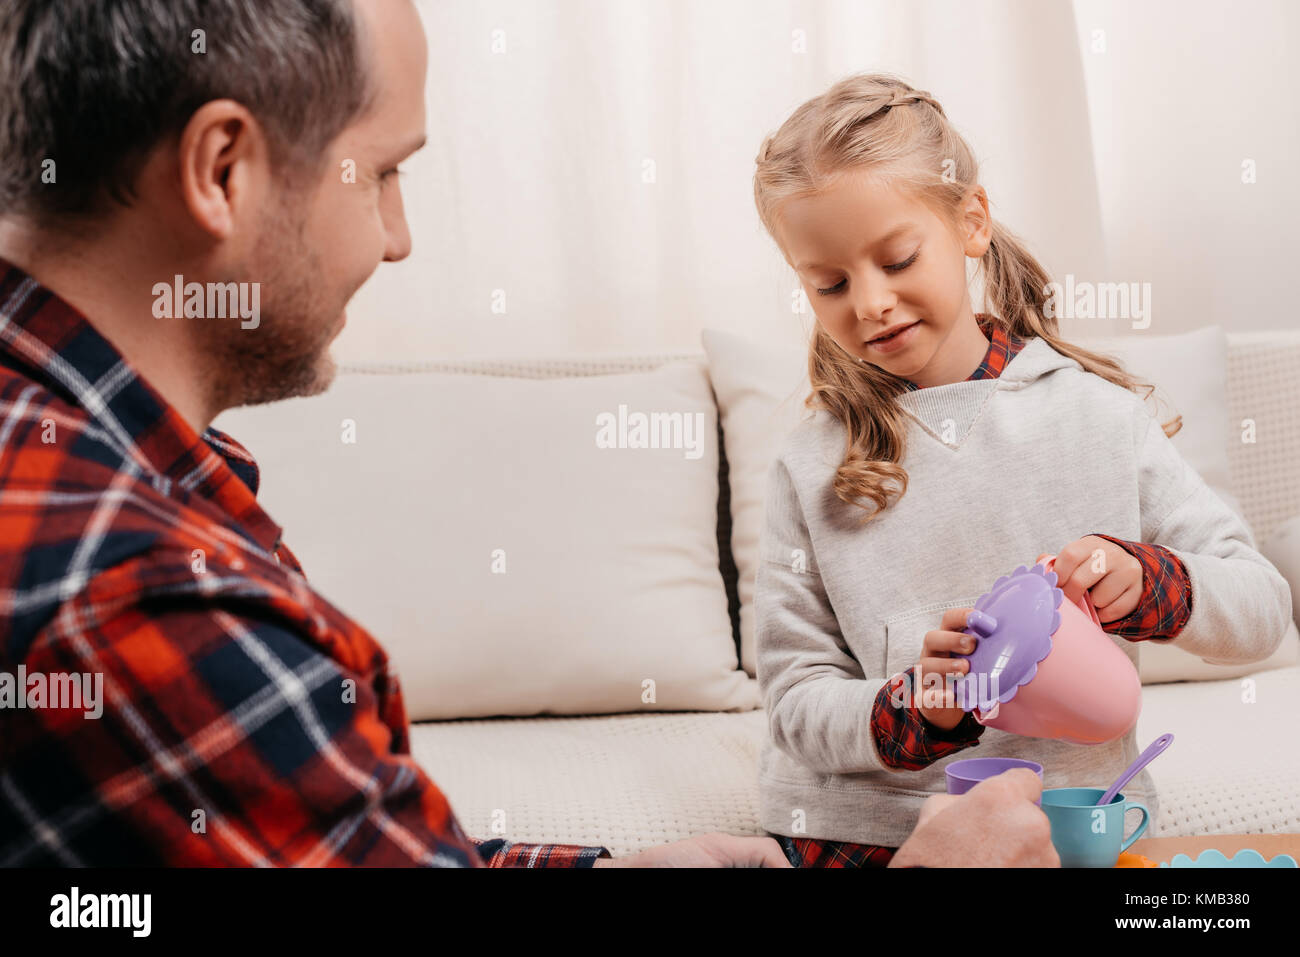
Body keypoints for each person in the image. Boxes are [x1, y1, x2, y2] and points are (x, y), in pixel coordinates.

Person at [0, 1, 1058, 868]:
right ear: (222, 169)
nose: (398, 239)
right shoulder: (134, 601)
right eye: (385, 171)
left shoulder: (92, 459)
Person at [749, 72, 1293, 867]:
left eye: (897, 259)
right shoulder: (810, 463)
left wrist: (1148, 582)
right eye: (828, 283)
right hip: (863, 838)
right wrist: (911, 706)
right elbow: (794, 699)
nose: (868, 303)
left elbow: (1262, 608)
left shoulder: (1098, 417)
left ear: (971, 221)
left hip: (1073, 826)